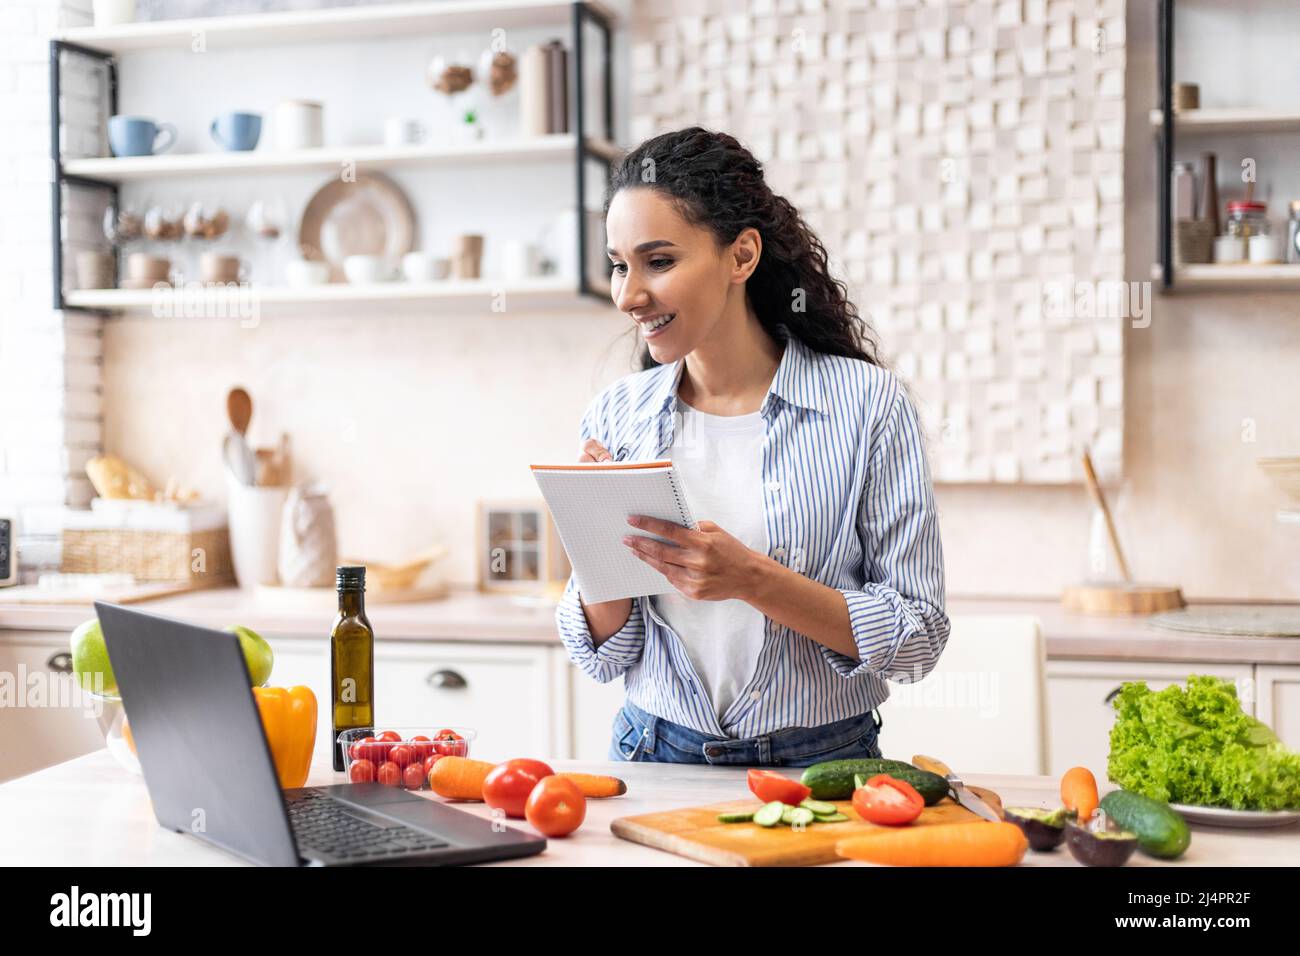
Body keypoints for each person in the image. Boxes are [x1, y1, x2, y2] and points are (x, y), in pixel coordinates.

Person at [555, 127, 950, 767]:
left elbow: (918, 636)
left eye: (659, 262)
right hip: (654, 753)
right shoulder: (617, 416)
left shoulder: (868, 405)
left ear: (742, 256)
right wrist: (600, 551)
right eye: (620, 265)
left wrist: (752, 580)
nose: (628, 295)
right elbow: (604, 654)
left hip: (824, 764)